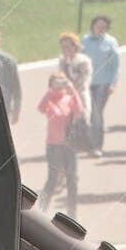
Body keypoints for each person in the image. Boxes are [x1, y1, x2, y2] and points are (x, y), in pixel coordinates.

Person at [36, 73, 84, 218]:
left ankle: (72, 214)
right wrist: (50, 91)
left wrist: (72, 89)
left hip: (69, 145)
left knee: (72, 179)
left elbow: (79, 111)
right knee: (53, 179)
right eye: (56, 82)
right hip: (53, 145)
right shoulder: (49, 99)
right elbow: (41, 108)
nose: (59, 85)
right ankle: (41, 210)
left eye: (61, 82)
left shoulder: (69, 99)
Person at [80, 15, 120, 156]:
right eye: (98, 26)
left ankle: (97, 146)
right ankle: (87, 144)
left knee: (96, 114)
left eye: (104, 27)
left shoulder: (111, 42)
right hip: (86, 83)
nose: (101, 29)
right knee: (86, 113)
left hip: (103, 84)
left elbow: (115, 66)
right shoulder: (85, 41)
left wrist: (113, 84)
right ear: (93, 26)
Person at [56, 32, 93, 122]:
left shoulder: (83, 61)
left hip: (80, 96)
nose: (65, 49)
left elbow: (84, 80)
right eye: (63, 47)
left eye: (68, 46)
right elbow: (60, 77)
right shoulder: (62, 60)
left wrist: (71, 88)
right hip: (65, 97)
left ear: (75, 46)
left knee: (82, 122)